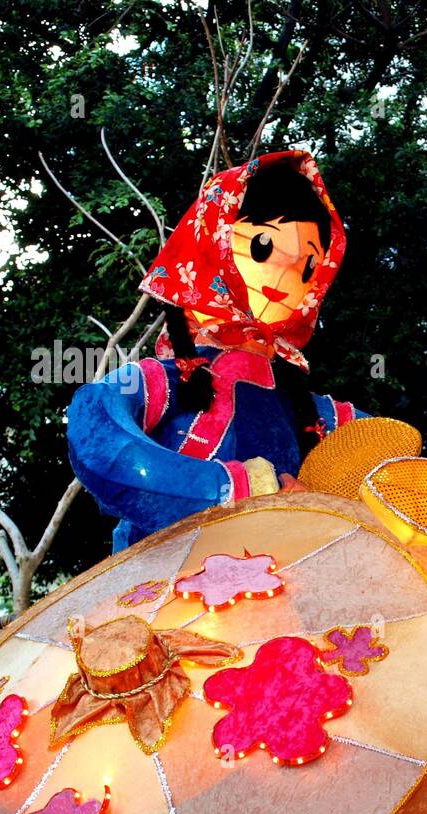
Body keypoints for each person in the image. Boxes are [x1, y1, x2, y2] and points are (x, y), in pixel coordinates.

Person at [68, 150, 363, 551]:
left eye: (306, 266)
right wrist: (234, 489)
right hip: (167, 591)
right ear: (210, 244)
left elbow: (395, 460)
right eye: (262, 247)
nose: (284, 277)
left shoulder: (311, 411)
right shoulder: (163, 382)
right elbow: (97, 436)